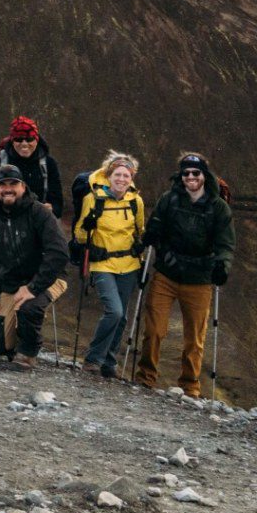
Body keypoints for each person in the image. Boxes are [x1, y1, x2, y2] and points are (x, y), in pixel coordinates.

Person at [134, 151, 236, 396]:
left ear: (204, 175)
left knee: (194, 337)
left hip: (199, 280)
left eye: (195, 173)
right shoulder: (169, 199)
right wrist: (151, 237)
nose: (190, 177)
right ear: (180, 176)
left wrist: (223, 266)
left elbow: (225, 243)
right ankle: (146, 377)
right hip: (166, 275)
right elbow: (156, 225)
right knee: (154, 329)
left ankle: (190, 387)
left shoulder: (218, 208)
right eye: (186, 173)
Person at [0, 163, 70, 367]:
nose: (8, 189)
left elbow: (59, 253)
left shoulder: (40, 213)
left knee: (29, 308)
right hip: (10, 284)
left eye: (13, 184)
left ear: (23, 187)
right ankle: (15, 341)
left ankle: (28, 351)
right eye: (3, 184)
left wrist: (33, 287)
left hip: (49, 278)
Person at [74, 152, 145, 378]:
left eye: (126, 175)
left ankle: (109, 361)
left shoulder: (135, 201)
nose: (122, 179)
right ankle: (93, 359)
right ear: (109, 175)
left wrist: (142, 247)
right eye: (118, 175)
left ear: (131, 178)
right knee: (114, 311)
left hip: (129, 264)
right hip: (102, 263)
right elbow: (79, 235)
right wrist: (88, 228)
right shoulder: (93, 199)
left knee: (122, 316)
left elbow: (139, 231)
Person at [0, 116, 65, 218]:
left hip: (37, 220)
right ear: (12, 141)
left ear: (37, 140)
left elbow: (58, 204)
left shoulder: (48, 164)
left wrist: (51, 209)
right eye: (19, 139)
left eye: (29, 139)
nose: (24, 144)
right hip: (5, 220)